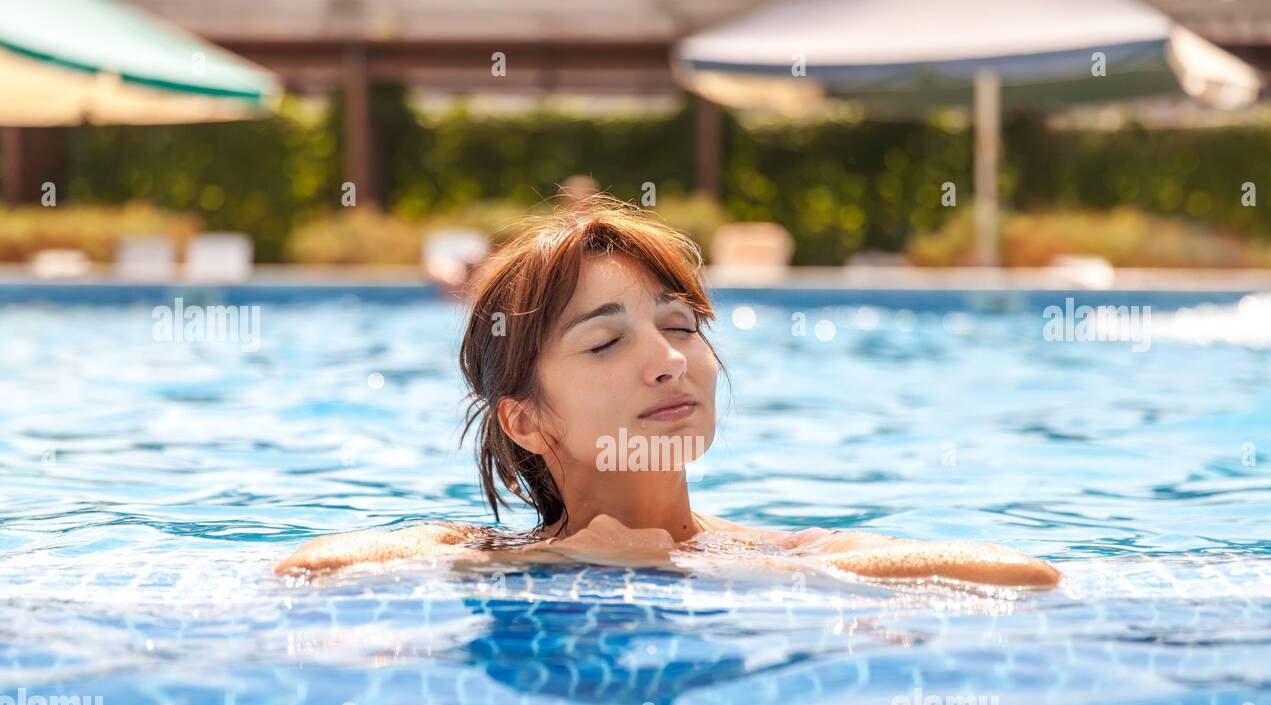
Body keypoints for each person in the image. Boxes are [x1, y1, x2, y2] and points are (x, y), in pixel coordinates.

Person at [275, 196, 1060, 588]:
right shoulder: (483, 554)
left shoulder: (775, 554)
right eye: (607, 340)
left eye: (681, 328)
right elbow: (310, 569)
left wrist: (743, 574)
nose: (667, 361)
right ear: (525, 420)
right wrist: (566, 557)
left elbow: (1024, 574)